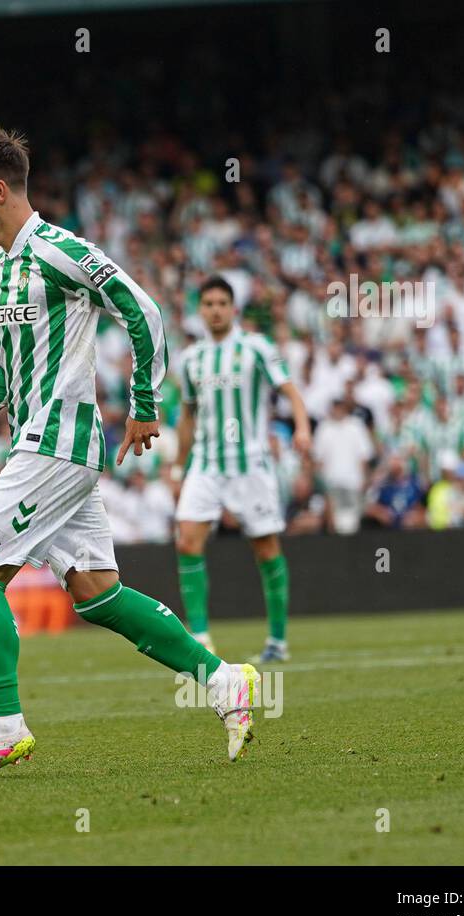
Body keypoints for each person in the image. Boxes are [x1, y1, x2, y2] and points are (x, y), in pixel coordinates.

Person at [0, 124, 260, 779]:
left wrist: (145, 402)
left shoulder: (60, 251)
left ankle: (4, 727)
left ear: (0, 190)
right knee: (95, 594)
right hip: (38, 442)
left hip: (60, 441)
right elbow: (9, 358)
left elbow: (143, 311)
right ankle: (227, 682)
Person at [171, 275, 312, 663]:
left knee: (265, 548)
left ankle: (278, 642)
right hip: (205, 462)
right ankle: (200, 637)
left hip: (250, 463)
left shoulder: (256, 348)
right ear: (200, 310)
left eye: (222, 303)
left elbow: (290, 391)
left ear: (233, 309)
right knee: (187, 541)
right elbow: (187, 415)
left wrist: (301, 428)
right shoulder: (191, 359)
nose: (215, 310)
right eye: (208, 303)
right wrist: (177, 467)